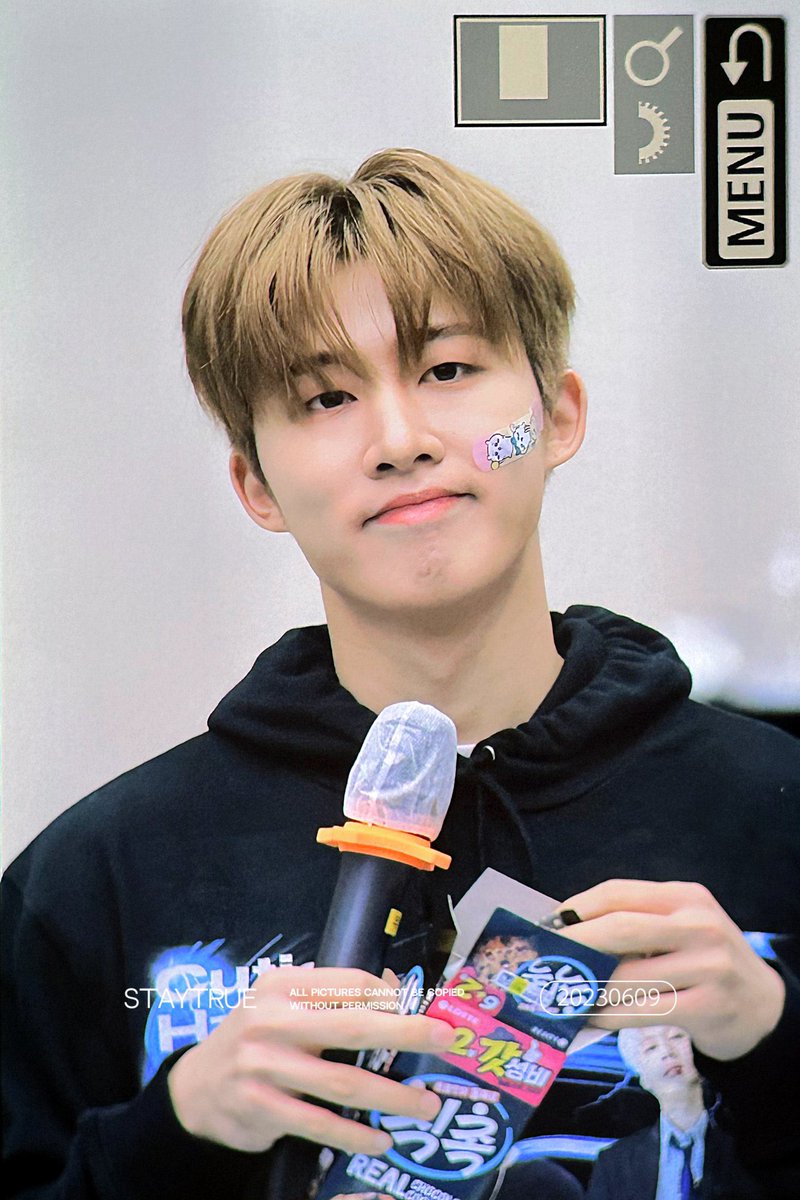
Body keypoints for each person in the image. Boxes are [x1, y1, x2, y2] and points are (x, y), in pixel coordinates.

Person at [2, 148, 798, 1200]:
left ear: (558, 414)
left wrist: (778, 1040)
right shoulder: (96, 879)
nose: (398, 439)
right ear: (255, 484)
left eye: (448, 371)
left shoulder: (771, 813)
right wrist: (175, 1131)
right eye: (325, 397)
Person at [586, 1024, 762, 1199]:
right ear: (643, 1080)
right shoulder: (615, 1163)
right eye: (651, 1047)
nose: (667, 1052)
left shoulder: (748, 1152)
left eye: (677, 1037)